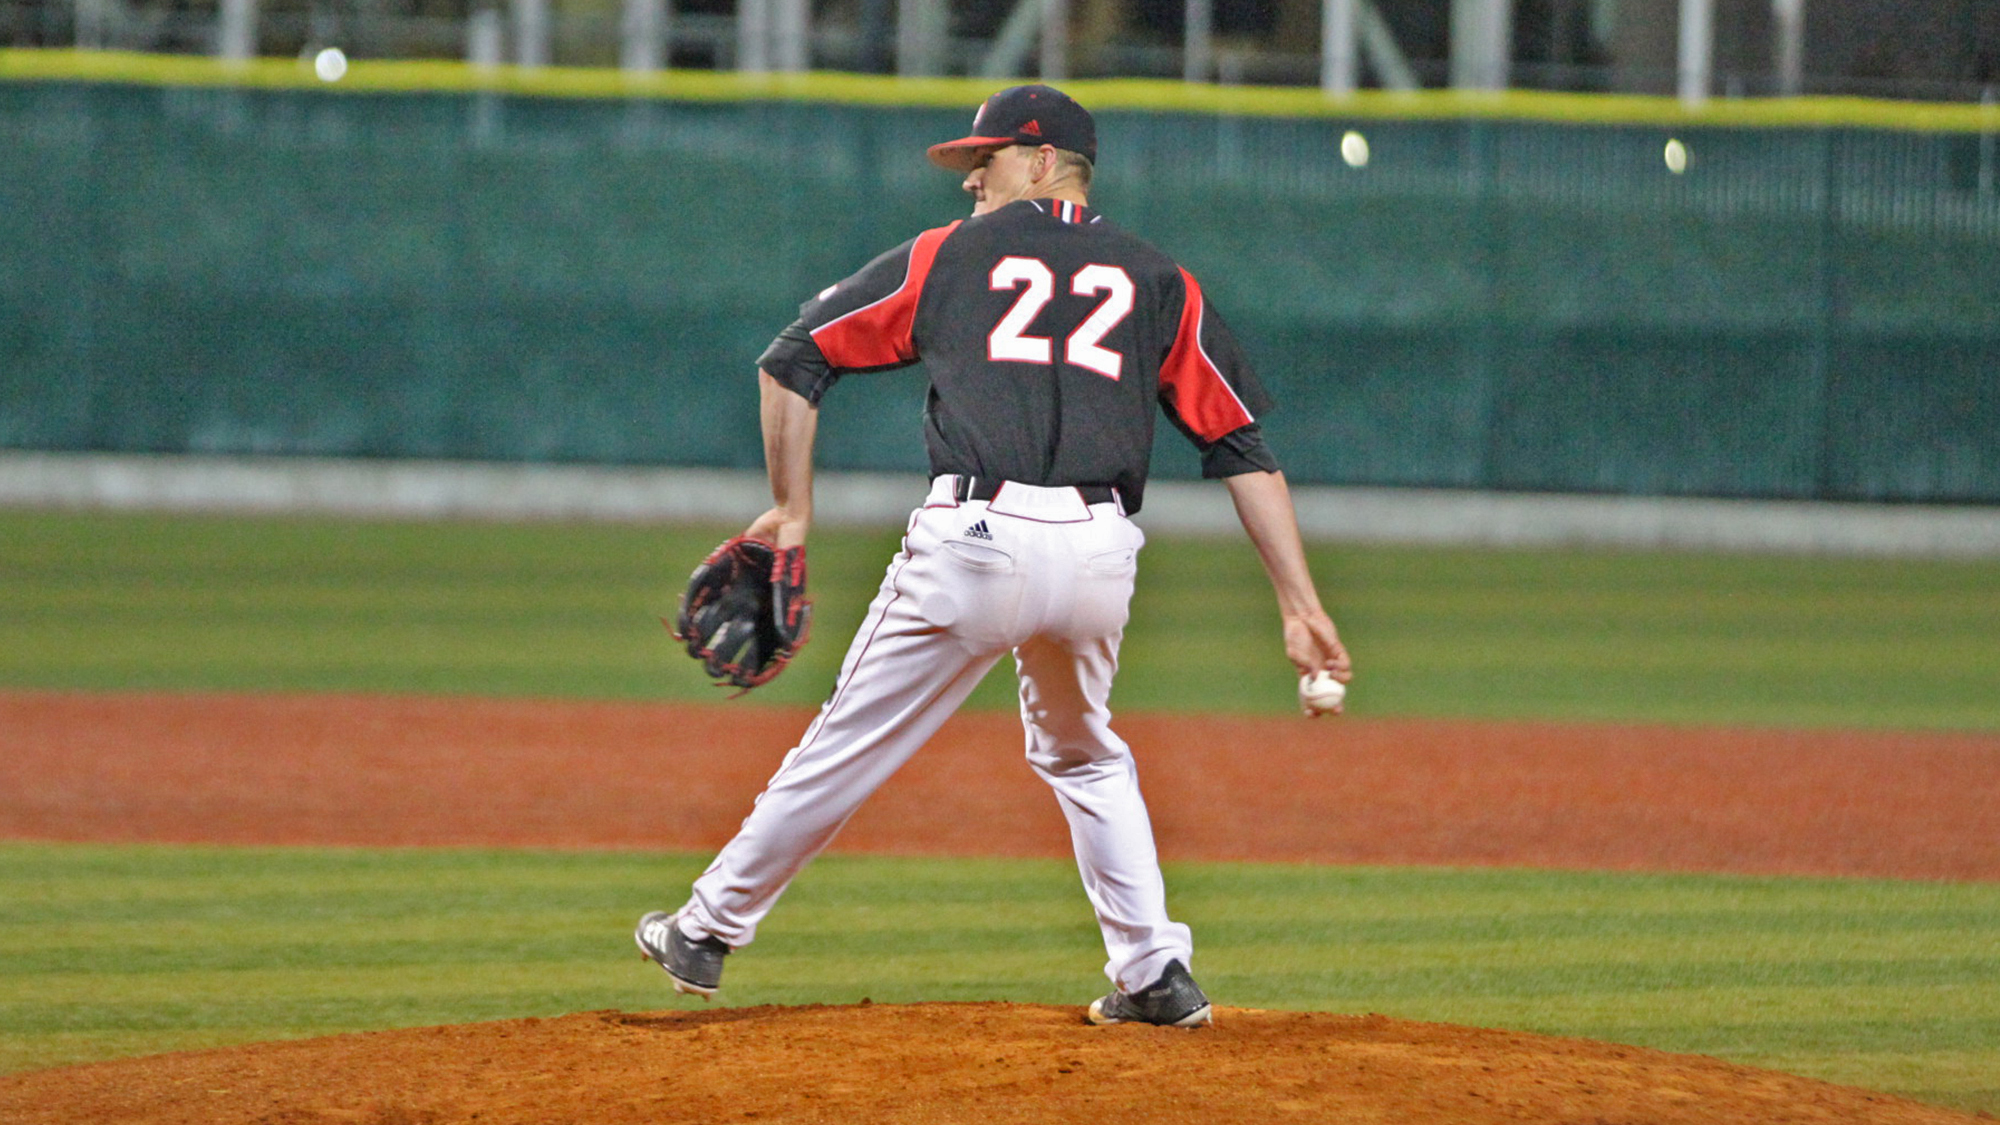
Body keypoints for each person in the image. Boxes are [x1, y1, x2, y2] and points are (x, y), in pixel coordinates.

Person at [637, 84, 1351, 1028]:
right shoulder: (1160, 278)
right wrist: (1299, 603)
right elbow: (1242, 448)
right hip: (1101, 555)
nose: (971, 174)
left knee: (850, 739)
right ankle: (1155, 972)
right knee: (1089, 753)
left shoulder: (950, 254)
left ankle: (707, 927)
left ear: (1045, 161)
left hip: (972, 542)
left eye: (989, 155)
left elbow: (794, 358)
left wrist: (791, 509)